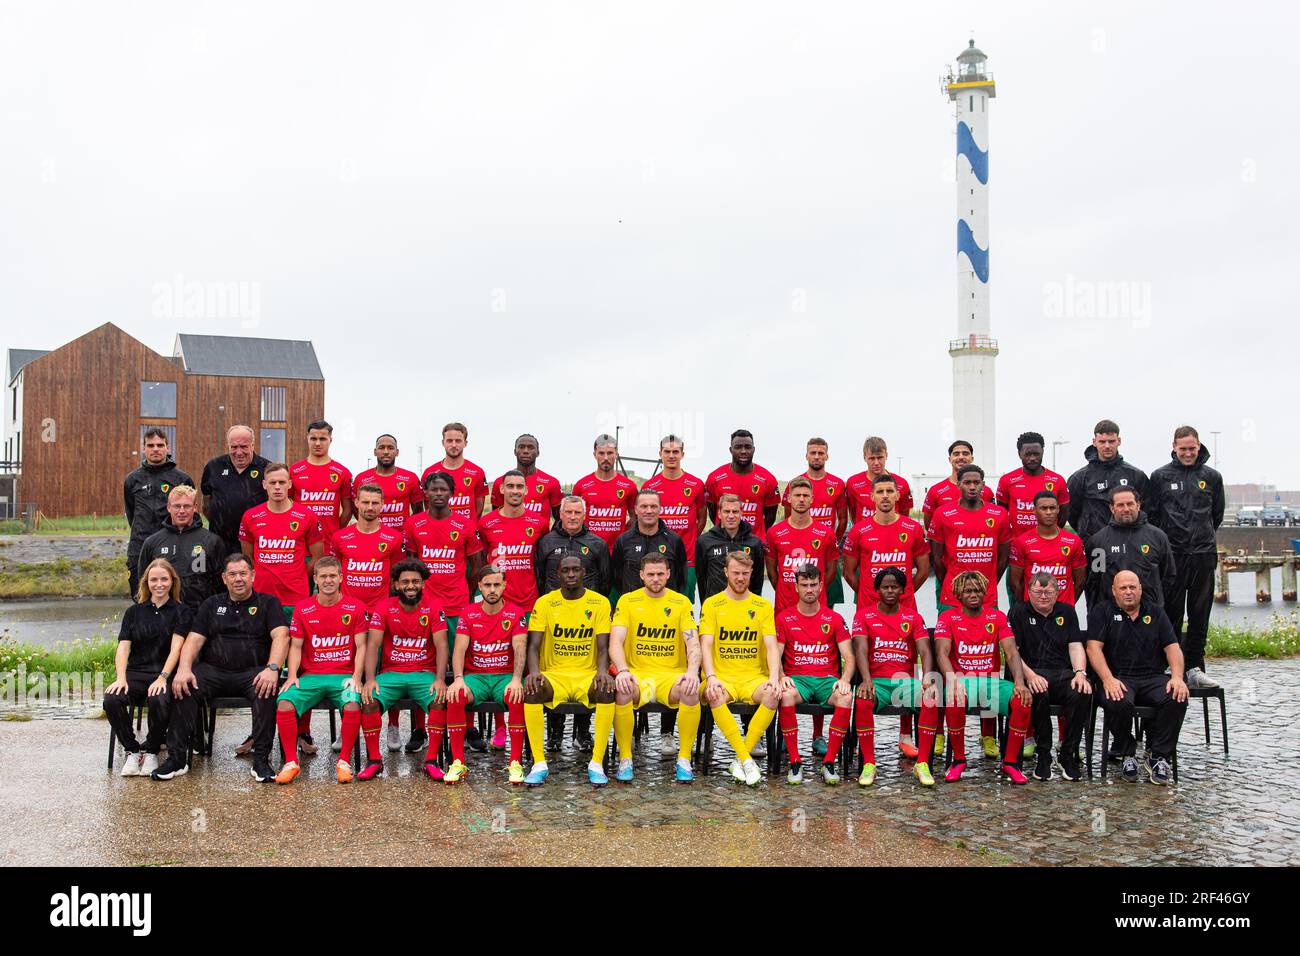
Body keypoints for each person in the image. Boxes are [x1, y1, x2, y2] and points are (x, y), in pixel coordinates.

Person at [151, 553, 290, 782]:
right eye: (233, 574)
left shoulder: (268, 603)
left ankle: (261, 760)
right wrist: (184, 668)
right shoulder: (211, 604)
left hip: (253, 672)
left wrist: (273, 668)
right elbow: (194, 640)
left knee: (267, 689)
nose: (238, 579)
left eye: (243, 573)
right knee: (184, 686)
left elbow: (281, 636)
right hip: (214, 671)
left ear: (253, 576)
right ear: (224, 578)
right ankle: (177, 759)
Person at [238, 463, 325, 755]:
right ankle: (258, 731)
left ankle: (303, 731)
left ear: (290, 485)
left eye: (282, 482)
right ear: (264, 484)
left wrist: (297, 576)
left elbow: (316, 557)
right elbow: (248, 558)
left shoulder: (306, 516)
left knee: (299, 667)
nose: (277, 487)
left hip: (296, 600)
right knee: (263, 666)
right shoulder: (252, 517)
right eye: (272, 482)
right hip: (262, 602)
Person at [841, 472, 929, 757]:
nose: (886, 497)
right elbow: (848, 570)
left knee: (905, 667)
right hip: (868, 611)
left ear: (898, 495)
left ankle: (906, 734)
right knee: (865, 669)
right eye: (880, 492)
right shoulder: (859, 531)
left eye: (890, 491)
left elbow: (924, 569)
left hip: (904, 611)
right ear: (872, 497)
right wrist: (869, 594)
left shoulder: (912, 529)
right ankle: (860, 734)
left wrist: (903, 595)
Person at [406, 471, 487, 748]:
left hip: (456, 606)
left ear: (451, 493)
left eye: (443, 489)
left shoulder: (464, 525)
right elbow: (413, 565)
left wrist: (464, 593)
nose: (438, 494)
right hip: (425, 607)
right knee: (423, 665)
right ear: (425, 493)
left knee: (462, 666)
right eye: (433, 490)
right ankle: (419, 729)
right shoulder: (414, 524)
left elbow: (476, 567)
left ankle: (467, 727)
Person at [1086, 570, 1189, 785]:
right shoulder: (1102, 611)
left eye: (1133, 587)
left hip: (1152, 676)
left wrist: (1177, 677)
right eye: (1123, 588)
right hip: (1118, 677)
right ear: (1114, 591)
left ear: (1141, 589)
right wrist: (1107, 679)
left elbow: (1172, 647)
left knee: (1177, 696)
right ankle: (1127, 753)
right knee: (1117, 700)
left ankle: (1158, 756)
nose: (1129, 592)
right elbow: (1093, 648)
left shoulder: (1156, 612)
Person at [273, 557, 369, 785]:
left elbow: (361, 645)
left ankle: (344, 761)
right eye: (323, 576)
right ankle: (290, 762)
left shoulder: (355, 607)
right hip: (310, 677)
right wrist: (293, 675)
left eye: (333, 576)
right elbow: (295, 646)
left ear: (341, 578)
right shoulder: (303, 608)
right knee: (285, 703)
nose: (328, 580)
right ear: (315, 578)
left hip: (343, 677)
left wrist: (356, 677)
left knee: (353, 704)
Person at [521, 556, 616, 787]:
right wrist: (534, 672)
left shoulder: (600, 603)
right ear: (558, 574)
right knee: (532, 689)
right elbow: (532, 646)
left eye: (575, 570)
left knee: (606, 690)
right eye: (566, 571)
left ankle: (596, 762)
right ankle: (539, 763)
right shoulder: (544, 603)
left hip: (586, 676)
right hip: (555, 677)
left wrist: (602, 671)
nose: (571, 574)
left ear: (584, 572)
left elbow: (603, 647)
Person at [608, 553, 702, 783]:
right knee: (621, 688)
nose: (656, 579)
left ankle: (684, 758)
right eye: (650, 574)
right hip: (638, 675)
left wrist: (691, 672)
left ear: (668, 574)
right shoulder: (627, 601)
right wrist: (622, 670)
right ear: (641, 575)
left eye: (660, 574)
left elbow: (692, 642)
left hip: (670, 677)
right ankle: (626, 758)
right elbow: (615, 642)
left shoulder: (681, 603)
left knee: (691, 690)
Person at [932, 571, 1033, 784]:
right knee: (953, 697)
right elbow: (941, 652)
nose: (974, 594)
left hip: (992, 681)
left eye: (978, 590)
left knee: (1022, 701)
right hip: (962, 680)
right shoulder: (948, 617)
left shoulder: (997, 617)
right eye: (968, 591)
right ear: (959, 594)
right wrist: (952, 680)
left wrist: (1020, 683)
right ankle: (958, 760)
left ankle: (1010, 763)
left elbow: (1012, 652)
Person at [1146, 425, 1226, 689]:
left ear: (1199, 446)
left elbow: (1216, 515)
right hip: (1173, 556)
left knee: (1200, 614)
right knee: (1170, 613)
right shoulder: (1159, 476)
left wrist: (1201, 536)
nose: (1188, 453)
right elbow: (1153, 514)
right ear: (1174, 447)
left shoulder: (1212, 477)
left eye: (1192, 448)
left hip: (1203, 554)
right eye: (1183, 449)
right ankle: (1169, 665)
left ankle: (1194, 667)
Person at [358, 559, 450, 781]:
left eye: (416, 581)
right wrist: (370, 679)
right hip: (392, 674)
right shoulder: (384, 607)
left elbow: (442, 644)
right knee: (369, 699)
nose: (411, 586)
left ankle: (431, 761)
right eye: (406, 581)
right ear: (396, 585)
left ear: (423, 584)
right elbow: (373, 644)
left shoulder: (434, 607)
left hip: (423, 674)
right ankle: (374, 761)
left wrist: (439, 679)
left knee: (439, 699)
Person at [335, 482, 408, 752]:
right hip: (350, 614)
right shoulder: (341, 537)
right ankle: (347, 728)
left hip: (381, 612)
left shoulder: (392, 538)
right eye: (365, 502)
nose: (369, 507)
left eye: (375, 503)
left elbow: (399, 576)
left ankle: (392, 726)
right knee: (348, 670)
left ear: (382, 505)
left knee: (385, 669)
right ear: (356, 502)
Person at [698, 550, 780, 787]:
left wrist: (774, 677)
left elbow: (771, 646)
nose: (741, 578)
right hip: (722, 677)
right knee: (714, 694)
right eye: (736, 573)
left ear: (752, 573)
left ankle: (740, 758)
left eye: (745, 573)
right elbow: (706, 644)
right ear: (726, 572)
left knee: (773, 694)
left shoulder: (762, 605)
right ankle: (746, 758)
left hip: (753, 677)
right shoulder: (712, 604)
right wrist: (711, 676)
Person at [851, 567, 937, 786]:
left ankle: (923, 764)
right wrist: (866, 680)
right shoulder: (864, 615)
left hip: (904, 683)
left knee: (931, 698)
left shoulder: (913, 617)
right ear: (877, 590)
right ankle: (869, 763)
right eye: (885, 587)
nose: (890, 591)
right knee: (862, 701)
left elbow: (925, 650)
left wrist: (927, 677)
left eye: (894, 587)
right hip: (877, 682)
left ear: (902, 590)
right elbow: (860, 648)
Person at [444, 566, 531, 784]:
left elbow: (520, 647)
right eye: (487, 585)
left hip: (504, 676)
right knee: (456, 696)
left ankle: (515, 763)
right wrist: (458, 679)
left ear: (504, 586)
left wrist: (516, 680)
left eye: (497, 585)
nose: (492, 590)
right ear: (480, 586)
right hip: (476, 677)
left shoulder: (515, 612)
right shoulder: (469, 612)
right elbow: (459, 649)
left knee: (515, 695)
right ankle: (457, 762)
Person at [105, 558, 190, 777]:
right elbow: (123, 648)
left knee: (159, 699)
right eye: (154, 580)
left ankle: (152, 750)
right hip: (135, 673)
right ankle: (133, 750)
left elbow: (176, 649)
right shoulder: (134, 612)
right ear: (146, 582)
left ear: (172, 581)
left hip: (164, 673)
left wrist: (162, 677)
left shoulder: (181, 611)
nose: (159, 584)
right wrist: (121, 678)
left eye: (164, 579)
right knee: (112, 699)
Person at [1007, 571, 1093, 782]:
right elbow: (1013, 652)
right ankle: (1043, 753)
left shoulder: (1068, 612)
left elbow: (1075, 647)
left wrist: (1080, 673)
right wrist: (1031, 675)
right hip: (1030, 671)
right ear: (1029, 592)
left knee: (1083, 692)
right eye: (1038, 592)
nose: (1043, 596)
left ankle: (1068, 752)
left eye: (1048, 592)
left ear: (1057, 593)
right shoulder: (1018, 612)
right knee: (1037, 692)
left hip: (1061, 673)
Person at [775, 564, 854, 785]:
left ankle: (829, 762)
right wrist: (781, 675)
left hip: (827, 680)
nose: (809, 589)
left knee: (846, 697)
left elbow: (849, 656)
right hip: (798, 680)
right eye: (804, 585)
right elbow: (775, 654)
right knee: (786, 695)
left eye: (813, 585)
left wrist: (845, 680)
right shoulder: (784, 618)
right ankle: (794, 762)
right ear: (796, 587)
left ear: (821, 586)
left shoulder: (834, 618)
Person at [928, 464, 1012, 614]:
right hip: (952, 598)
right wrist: (952, 584)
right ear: (958, 484)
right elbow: (936, 558)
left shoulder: (999, 514)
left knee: (988, 637)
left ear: (983, 485)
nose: (972, 487)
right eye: (967, 483)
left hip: (987, 597)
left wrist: (989, 583)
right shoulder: (943, 513)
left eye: (976, 482)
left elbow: (1003, 558)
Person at [124, 427, 193, 597]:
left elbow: (190, 512)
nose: (156, 449)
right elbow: (131, 512)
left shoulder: (181, 479)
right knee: (140, 596)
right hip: (140, 546)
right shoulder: (132, 480)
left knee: (174, 596)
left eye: (160, 445)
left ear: (167, 448)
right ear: (144, 448)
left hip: (172, 544)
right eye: (151, 445)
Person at [1084, 487, 1176, 608]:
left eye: (1130, 504)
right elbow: (1095, 581)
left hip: (1149, 611)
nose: (1126, 509)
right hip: (1113, 613)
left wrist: (1155, 601)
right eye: (1120, 505)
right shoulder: (1098, 541)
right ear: (1112, 508)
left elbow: (1168, 575)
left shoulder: (1158, 537)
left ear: (1138, 505)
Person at [136, 484, 226, 608]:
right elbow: (143, 582)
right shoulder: (152, 542)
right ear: (168, 507)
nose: (182, 511)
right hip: (164, 614)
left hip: (199, 615)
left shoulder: (212, 541)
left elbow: (221, 584)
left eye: (187, 506)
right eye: (177, 506)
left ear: (195, 507)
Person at [642, 434, 708, 605]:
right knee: (656, 605)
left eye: (675, 451)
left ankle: (686, 634)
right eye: (667, 451)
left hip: (688, 558)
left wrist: (689, 537)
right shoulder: (650, 486)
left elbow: (702, 518)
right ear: (660, 454)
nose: (671, 455)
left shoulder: (696, 484)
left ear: (682, 454)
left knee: (684, 607)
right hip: (657, 557)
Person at [783, 438, 848, 608]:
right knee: (795, 598)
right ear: (806, 456)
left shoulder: (837, 484)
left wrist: (833, 542)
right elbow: (787, 519)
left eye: (821, 453)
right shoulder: (795, 484)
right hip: (800, 551)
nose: (817, 457)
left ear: (827, 456)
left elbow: (843, 520)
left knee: (826, 604)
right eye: (813, 453)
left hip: (825, 552)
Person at [1066, 419, 1149, 547]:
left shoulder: (1136, 475)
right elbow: (1072, 513)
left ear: (1119, 441)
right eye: (1102, 441)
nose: (1107, 446)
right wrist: (1088, 532)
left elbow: (1147, 510)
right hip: (1095, 546)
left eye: (1111, 441)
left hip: (1130, 544)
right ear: (1094, 442)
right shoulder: (1080, 477)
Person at [765, 477, 838, 613]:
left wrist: (814, 592)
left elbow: (831, 572)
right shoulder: (774, 532)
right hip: (784, 608)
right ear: (789, 499)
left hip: (816, 608)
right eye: (797, 495)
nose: (801, 499)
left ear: (812, 499)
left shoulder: (826, 534)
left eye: (805, 495)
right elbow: (771, 572)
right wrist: (785, 590)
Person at [200, 425, 269, 556]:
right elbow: (206, 503)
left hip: (256, 543)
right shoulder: (213, 467)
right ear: (228, 446)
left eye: (244, 447)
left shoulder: (266, 468)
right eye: (234, 447)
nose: (238, 452)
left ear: (252, 445)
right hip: (220, 543)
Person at [1007, 490, 1086, 605]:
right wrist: (1028, 607)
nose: (1049, 512)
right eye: (1044, 508)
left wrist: (1067, 605)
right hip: (1032, 612)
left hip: (1063, 611)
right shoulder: (1021, 542)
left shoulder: (1074, 541)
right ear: (1034, 510)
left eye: (1052, 508)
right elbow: (1015, 583)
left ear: (1058, 509)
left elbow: (1080, 582)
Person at [289, 420, 354, 551]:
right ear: (307, 439)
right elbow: (286, 506)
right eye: (313, 438)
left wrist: (336, 531)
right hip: (300, 543)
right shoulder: (293, 471)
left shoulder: (342, 472)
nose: (317, 443)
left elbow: (348, 509)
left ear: (331, 440)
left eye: (323, 439)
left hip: (329, 543)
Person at [705, 429, 780, 539]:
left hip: (754, 544)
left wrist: (752, 537)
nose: (743, 451)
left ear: (753, 450)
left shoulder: (768, 479)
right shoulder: (714, 478)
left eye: (748, 447)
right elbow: (713, 513)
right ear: (731, 450)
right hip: (722, 541)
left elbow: (770, 517)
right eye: (738, 447)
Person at [572, 434, 638, 552]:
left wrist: (625, 536)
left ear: (616, 454)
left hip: (618, 551)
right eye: (601, 453)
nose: (606, 458)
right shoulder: (581, 486)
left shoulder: (629, 486)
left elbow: (635, 517)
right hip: (588, 550)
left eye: (610, 453)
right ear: (595, 455)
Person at [695, 493, 766, 601]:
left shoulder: (754, 543)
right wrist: (706, 606)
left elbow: (757, 581)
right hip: (716, 606)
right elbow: (702, 579)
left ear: (741, 513)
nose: (731, 516)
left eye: (735, 511)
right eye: (727, 511)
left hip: (744, 606)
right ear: (719, 513)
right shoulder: (704, 541)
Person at [535, 496, 611, 595]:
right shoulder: (545, 542)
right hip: (555, 606)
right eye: (568, 512)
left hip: (587, 607)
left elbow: (606, 580)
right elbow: (539, 578)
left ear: (584, 516)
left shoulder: (598, 544)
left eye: (578, 513)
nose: (573, 517)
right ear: (561, 514)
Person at [353, 434, 424, 532]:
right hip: (371, 536)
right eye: (381, 448)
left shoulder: (410, 478)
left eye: (390, 448)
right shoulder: (361, 479)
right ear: (375, 452)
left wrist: (406, 530)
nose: (386, 452)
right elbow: (356, 510)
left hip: (401, 539)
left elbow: (418, 512)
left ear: (397, 452)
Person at [490, 434, 562, 529]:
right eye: (521, 447)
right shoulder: (500, 482)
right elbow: (495, 517)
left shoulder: (551, 482)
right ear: (515, 451)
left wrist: (549, 539)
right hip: (510, 541)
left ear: (538, 452)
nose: (526, 451)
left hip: (540, 541)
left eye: (531, 447)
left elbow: (560, 518)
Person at [420, 422, 488, 520]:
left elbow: (479, 508)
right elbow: (427, 506)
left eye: (458, 441)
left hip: (466, 532)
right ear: (443, 443)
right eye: (449, 441)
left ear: (465, 443)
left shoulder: (477, 472)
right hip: (439, 531)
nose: (454, 445)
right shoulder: (429, 473)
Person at [921, 440, 992, 530]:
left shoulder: (986, 491)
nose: (961, 457)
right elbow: (929, 525)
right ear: (950, 459)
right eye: (956, 454)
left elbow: (993, 520)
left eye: (965, 453)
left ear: (972, 458)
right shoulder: (936, 490)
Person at [845, 436, 914, 524]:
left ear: (886, 456)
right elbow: (853, 513)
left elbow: (904, 516)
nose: (876, 463)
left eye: (880, 457)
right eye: (872, 458)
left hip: (892, 535)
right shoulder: (853, 482)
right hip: (864, 536)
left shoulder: (901, 483)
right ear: (864, 457)